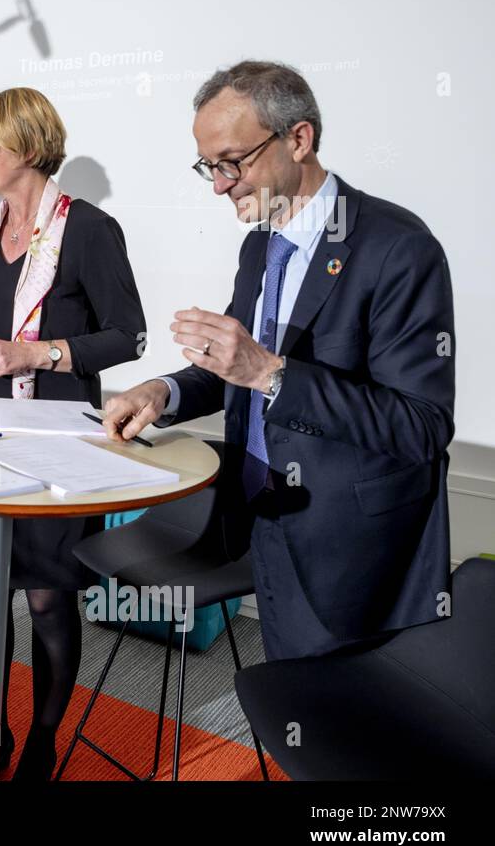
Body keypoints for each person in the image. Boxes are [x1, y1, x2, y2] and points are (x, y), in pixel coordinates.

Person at [102, 60, 455, 663]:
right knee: (294, 711)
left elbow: (420, 428)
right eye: (207, 166)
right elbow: (238, 366)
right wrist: (164, 391)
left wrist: (272, 373)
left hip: (351, 549)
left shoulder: (399, 247)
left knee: (347, 740)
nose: (218, 184)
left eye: (231, 162)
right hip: (259, 519)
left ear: (299, 139)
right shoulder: (259, 242)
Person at [0, 86, 146, 780]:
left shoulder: (88, 229)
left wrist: (40, 352)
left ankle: (44, 738)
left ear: (26, 148)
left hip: (59, 443)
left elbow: (128, 335)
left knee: (47, 598)